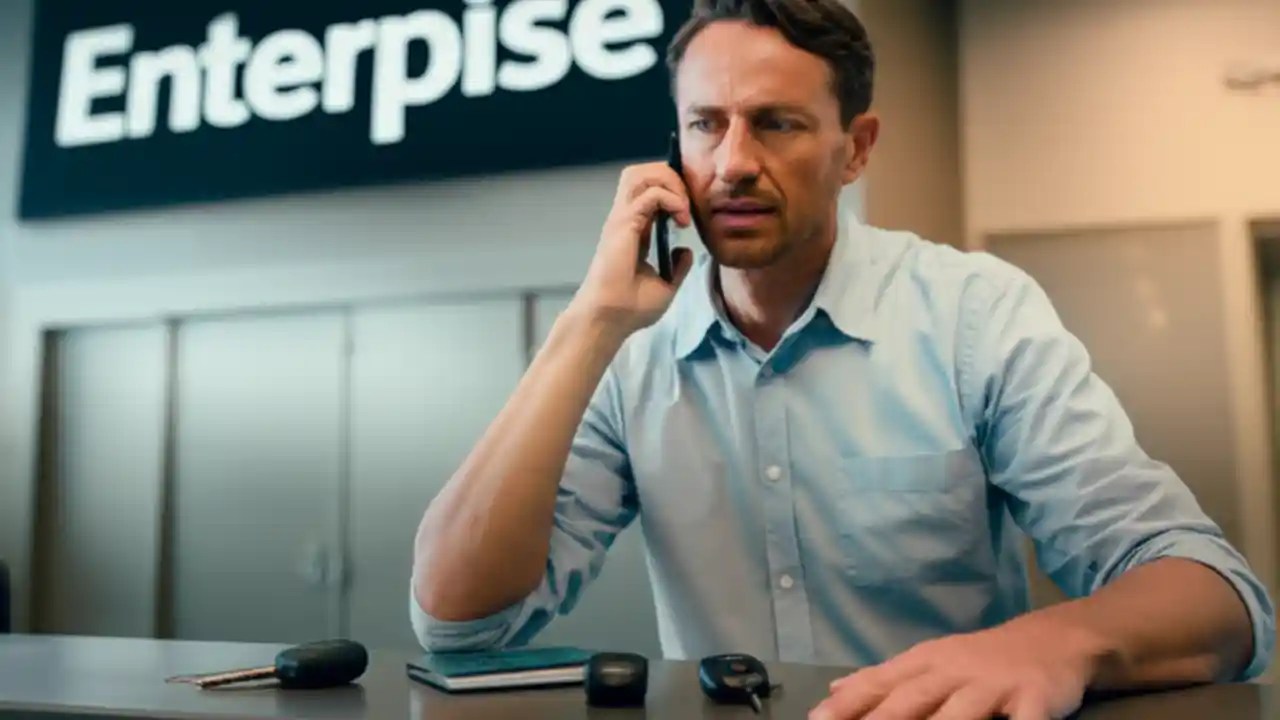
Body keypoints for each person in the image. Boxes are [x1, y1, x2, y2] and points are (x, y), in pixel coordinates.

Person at [409, 0, 1275, 717]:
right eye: (705, 125)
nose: (734, 163)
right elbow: (459, 627)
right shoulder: (634, 354)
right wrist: (588, 325)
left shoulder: (972, 312)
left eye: (776, 124)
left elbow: (1219, 597)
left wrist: (1052, 642)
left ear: (855, 149)